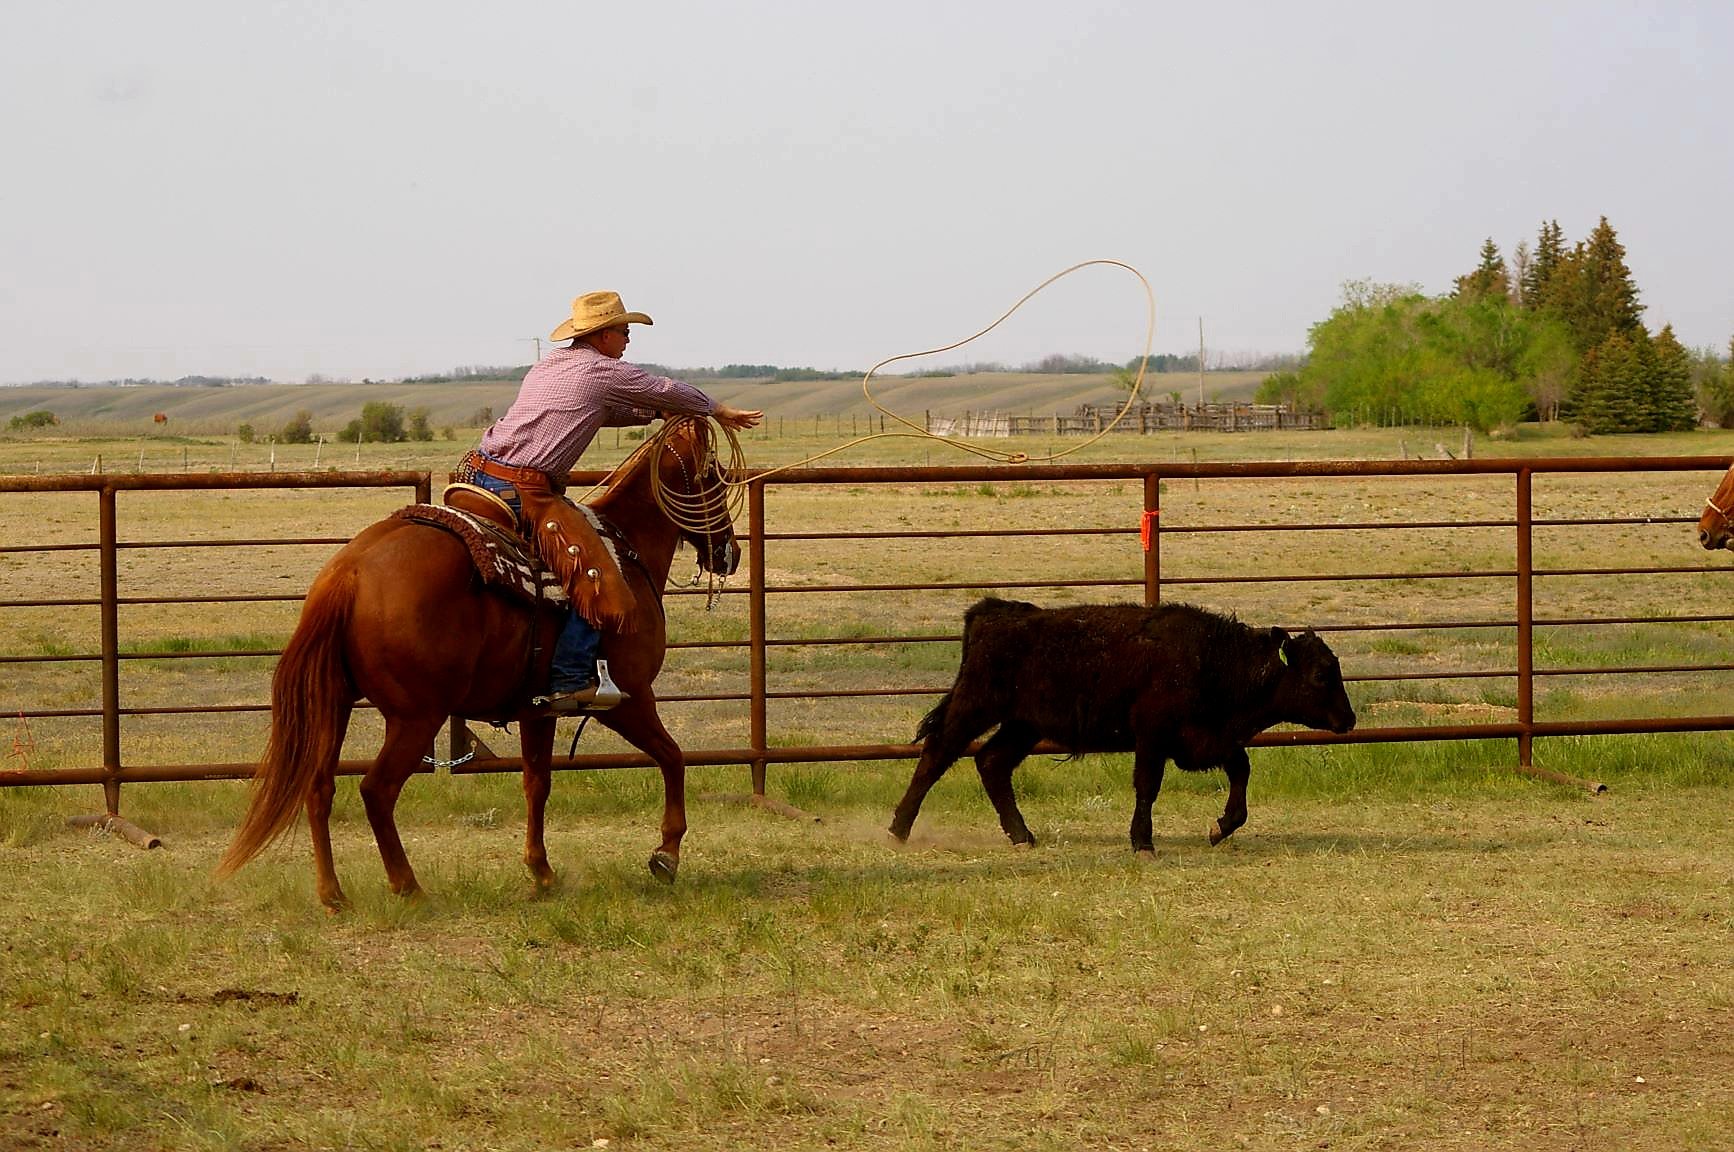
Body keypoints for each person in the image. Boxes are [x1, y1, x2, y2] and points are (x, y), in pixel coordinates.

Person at [457, 291, 762, 714]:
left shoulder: (551, 365)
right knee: (601, 572)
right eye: (624, 331)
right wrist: (717, 409)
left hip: (476, 477)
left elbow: (601, 410)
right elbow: (663, 388)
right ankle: (569, 676)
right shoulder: (599, 370)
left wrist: (654, 415)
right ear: (602, 336)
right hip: (526, 491)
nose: (628, 339)